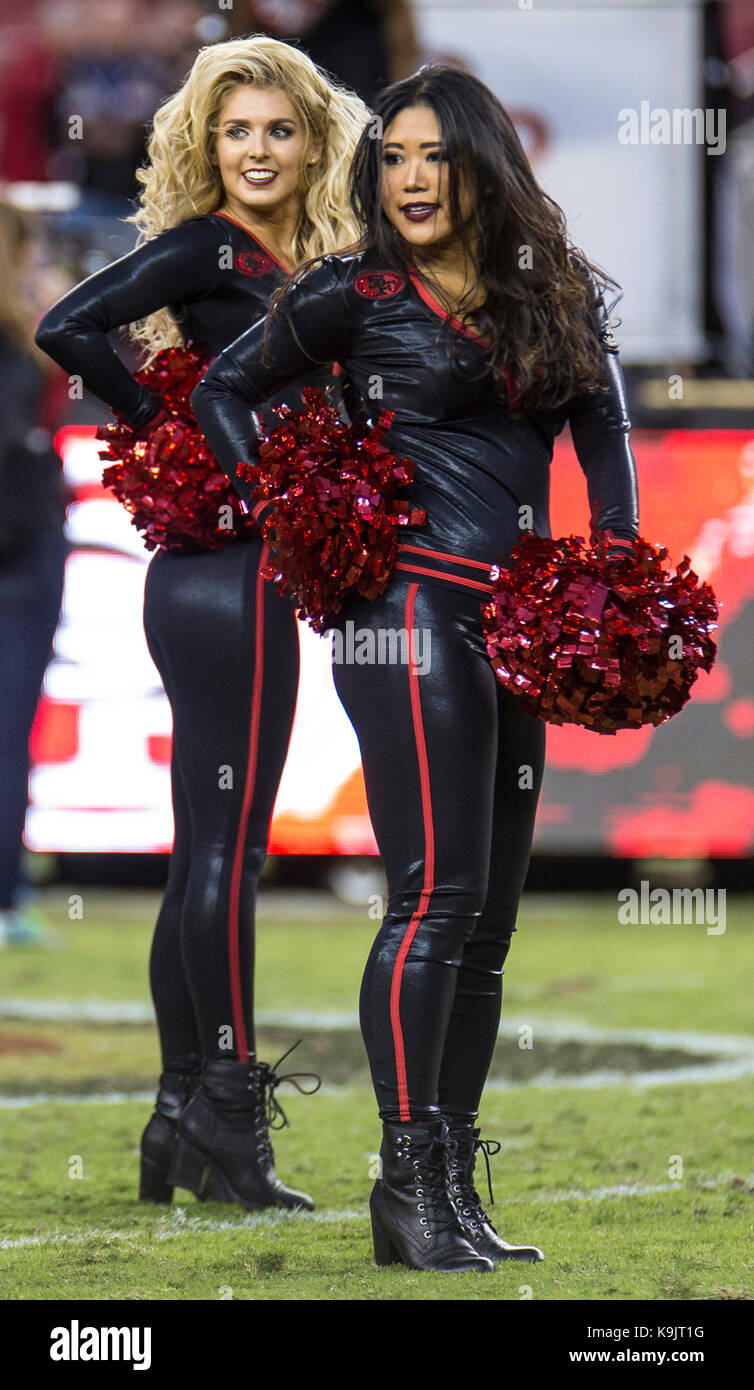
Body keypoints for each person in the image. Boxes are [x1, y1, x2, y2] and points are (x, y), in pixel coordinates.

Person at [192, 63, 639, 1272]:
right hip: (408, 615)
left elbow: (602, 417)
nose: (408, 178)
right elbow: (226, 388)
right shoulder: (352, 290)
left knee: (485, 922)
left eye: (432, 155)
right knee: (434, 899)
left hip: (512, 620)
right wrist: (289, 498)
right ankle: (404, 1190)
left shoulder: (535, 289)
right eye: (390, 156)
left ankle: (450, 1181)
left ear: (480, 162)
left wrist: (613, 553)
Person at [35, 36, 368, 1211]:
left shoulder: (330, 250)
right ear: (205, 145)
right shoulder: (208, 248)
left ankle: (180, 1116)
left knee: (209, 851)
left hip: (225, 567)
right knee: (231, 849)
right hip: (225, 565)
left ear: (313, 138)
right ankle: (227, 1117)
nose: (259, 149)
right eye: (236, 132)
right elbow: (68, 326)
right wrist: (170, 427)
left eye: (279, 129)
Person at [0, 202, 68, 947]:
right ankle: (6, 897)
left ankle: (9, 892)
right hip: (22, 552)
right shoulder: (28, 340)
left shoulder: (32, 337)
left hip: (23, 547)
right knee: (8, 732)